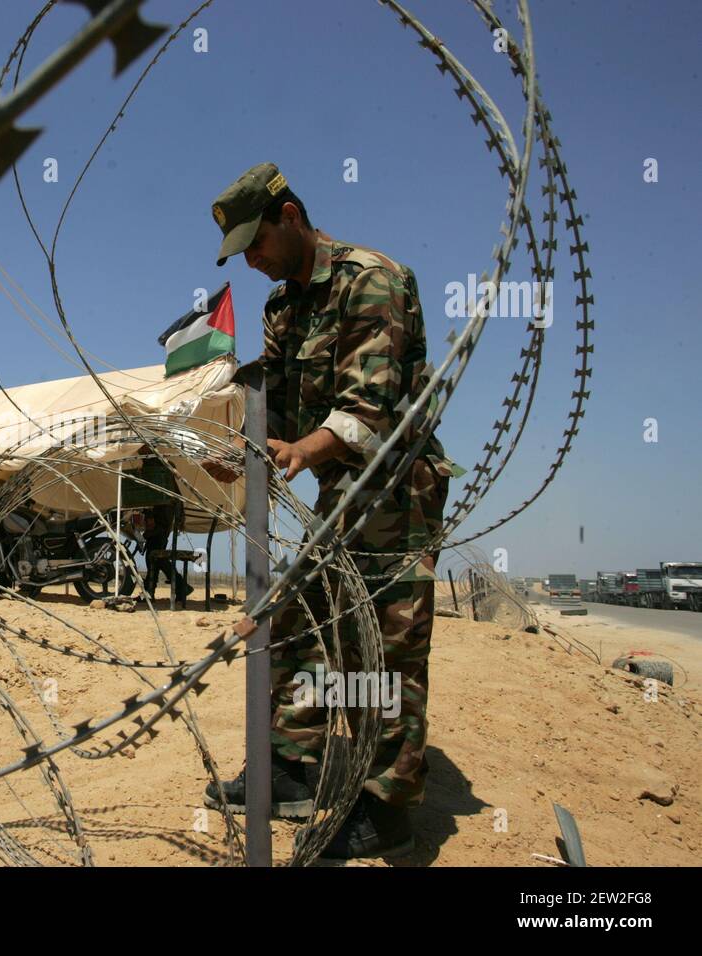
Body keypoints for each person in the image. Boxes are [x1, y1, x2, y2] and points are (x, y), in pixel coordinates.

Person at [201, 163, 456, 860]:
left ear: (289, 217)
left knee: (383, 644)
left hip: (396, 486)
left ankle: (387, 805)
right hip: (339, 487)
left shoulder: (369, 277)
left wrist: (299, 452)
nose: (251, 261)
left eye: (256, 243)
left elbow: (366, 406)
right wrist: (245, 449)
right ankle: (289, 762)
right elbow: (277, 405)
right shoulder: (283, 307)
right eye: (241, 252)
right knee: (296, 615)